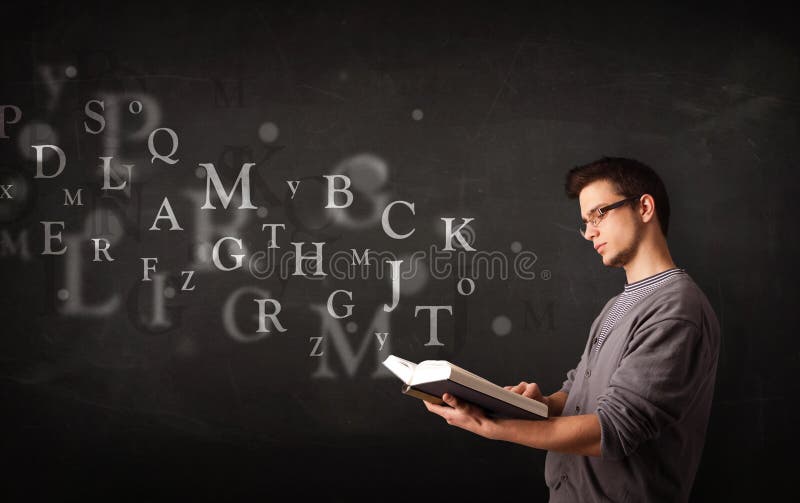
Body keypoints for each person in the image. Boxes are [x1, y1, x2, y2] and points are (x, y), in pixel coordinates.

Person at [423, 157, 720, 502]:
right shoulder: (617, 305)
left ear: (645, 207)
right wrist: (542, 405)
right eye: (585, 222)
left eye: (600, 214)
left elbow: (614, 430)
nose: (590, 232)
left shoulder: (676, 309)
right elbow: (578, 393)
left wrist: (493, 427)